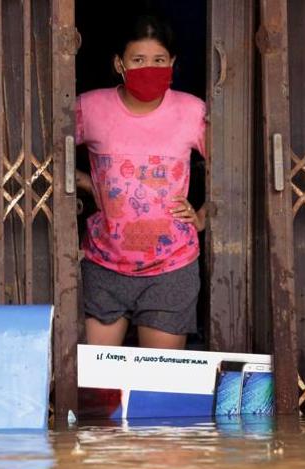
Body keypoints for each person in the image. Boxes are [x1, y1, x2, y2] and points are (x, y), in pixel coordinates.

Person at [75, 14, 208, 350]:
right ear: (119, 63)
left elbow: (230, 165)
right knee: (97, 387)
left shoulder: (192, 111)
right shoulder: (89, 107)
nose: (149, 68)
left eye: (159, 60)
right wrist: (88, 184)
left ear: (173, 63)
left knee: (157, 381)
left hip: (171, 266)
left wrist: (203, 216)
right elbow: (46, 155)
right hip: (104, 263)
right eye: (138, 60)